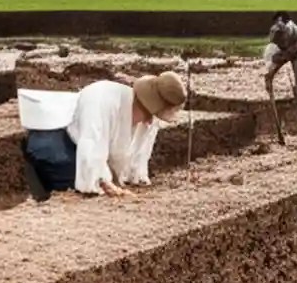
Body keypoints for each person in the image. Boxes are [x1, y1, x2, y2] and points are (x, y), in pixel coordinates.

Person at [20, 72, 186, 201]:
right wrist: (106, 185)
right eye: (150, 114)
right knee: (80, 191)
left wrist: (134, 181)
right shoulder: (101, 100)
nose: (150, 122)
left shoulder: (149, 119)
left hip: (86, 146)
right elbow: (91, 145)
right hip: (58, 141)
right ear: (141, 102)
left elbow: (137, 157)